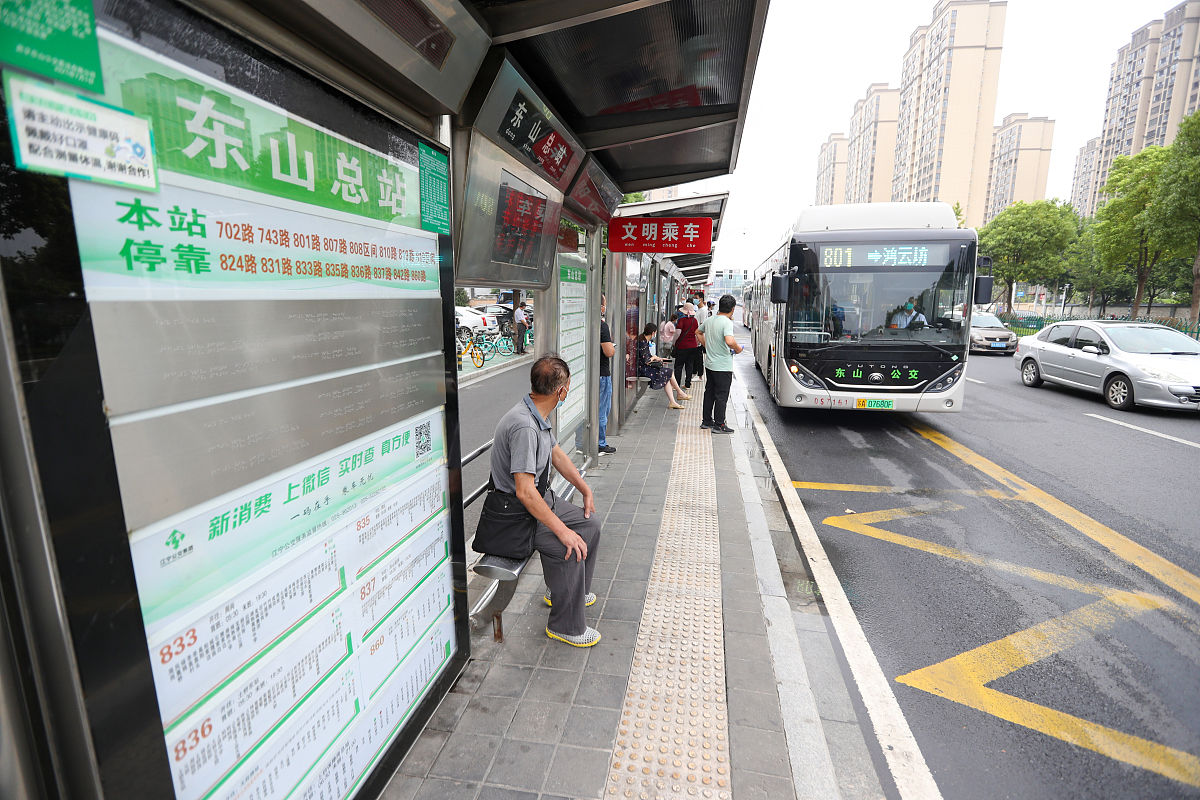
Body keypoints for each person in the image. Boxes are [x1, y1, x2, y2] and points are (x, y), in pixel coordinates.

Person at [490, 355, 602, 646]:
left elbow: (556, 454)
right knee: (571, 545)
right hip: (518, 514)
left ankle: (565, 592)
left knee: (590, 526)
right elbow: (525, 492)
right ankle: (566, 626)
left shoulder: (536, 412)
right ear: (560, 392)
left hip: (539, 501)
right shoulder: (525, 426)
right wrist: (563, 531)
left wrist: (584, 489)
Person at [696, 294, 742, 433]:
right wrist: (738, 349)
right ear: (732, 309)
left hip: (710, 364)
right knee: (721, 395)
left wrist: (707, 346)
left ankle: (706, 421)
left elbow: (697, 332)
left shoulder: (710, 320)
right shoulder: (727, 322)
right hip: (722, 366)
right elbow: (729, 341)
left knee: (709, 392)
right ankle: (719, 425)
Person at [636, 323, 690, 409]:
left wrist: (658, 358)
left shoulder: (644, 340)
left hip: (645, 367)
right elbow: (646, 360)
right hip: (643, 369)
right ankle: (679, 393)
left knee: (667, 377)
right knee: (669, 373)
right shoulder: (642, 342)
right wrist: (654, 357)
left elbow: (647, 356)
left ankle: (673, 401)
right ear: (653, 333)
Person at [598, 294, 616, 455]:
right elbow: (608, 351)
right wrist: (613, 347)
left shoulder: (583, 321)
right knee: (602, 409)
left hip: (587, 374)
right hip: (602, 374)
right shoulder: (602, 326)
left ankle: (582, 442)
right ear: (601, 307)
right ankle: (600, 444)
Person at [673, 302, 702, 390]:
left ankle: (676, 385)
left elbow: (678, 333)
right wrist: (696, 343)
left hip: (682, 346)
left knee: (678, 366)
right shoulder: (695, 321)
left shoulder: (681, 320)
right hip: (693, 346)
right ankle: (687, 384)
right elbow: (697, 334)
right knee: (689, 365)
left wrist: (674, 342)